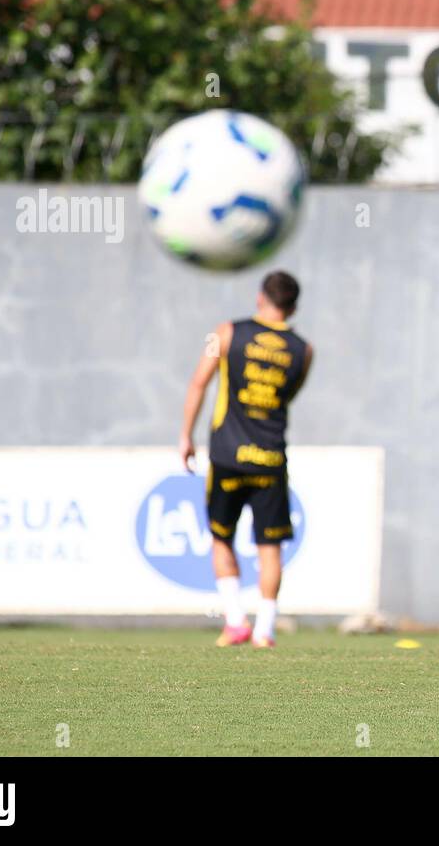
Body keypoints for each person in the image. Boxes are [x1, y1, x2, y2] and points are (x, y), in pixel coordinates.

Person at [179, 271, 313, 649]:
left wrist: (185, 435)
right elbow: (288, 394)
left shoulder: (225, 333)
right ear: (294, 307)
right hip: (270, 457)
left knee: (222, 537)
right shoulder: (303, 350)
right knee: (269, 547)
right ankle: (265, 631)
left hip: (227, 455)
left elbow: (198, 382)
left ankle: (235, 621)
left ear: (259, 298)